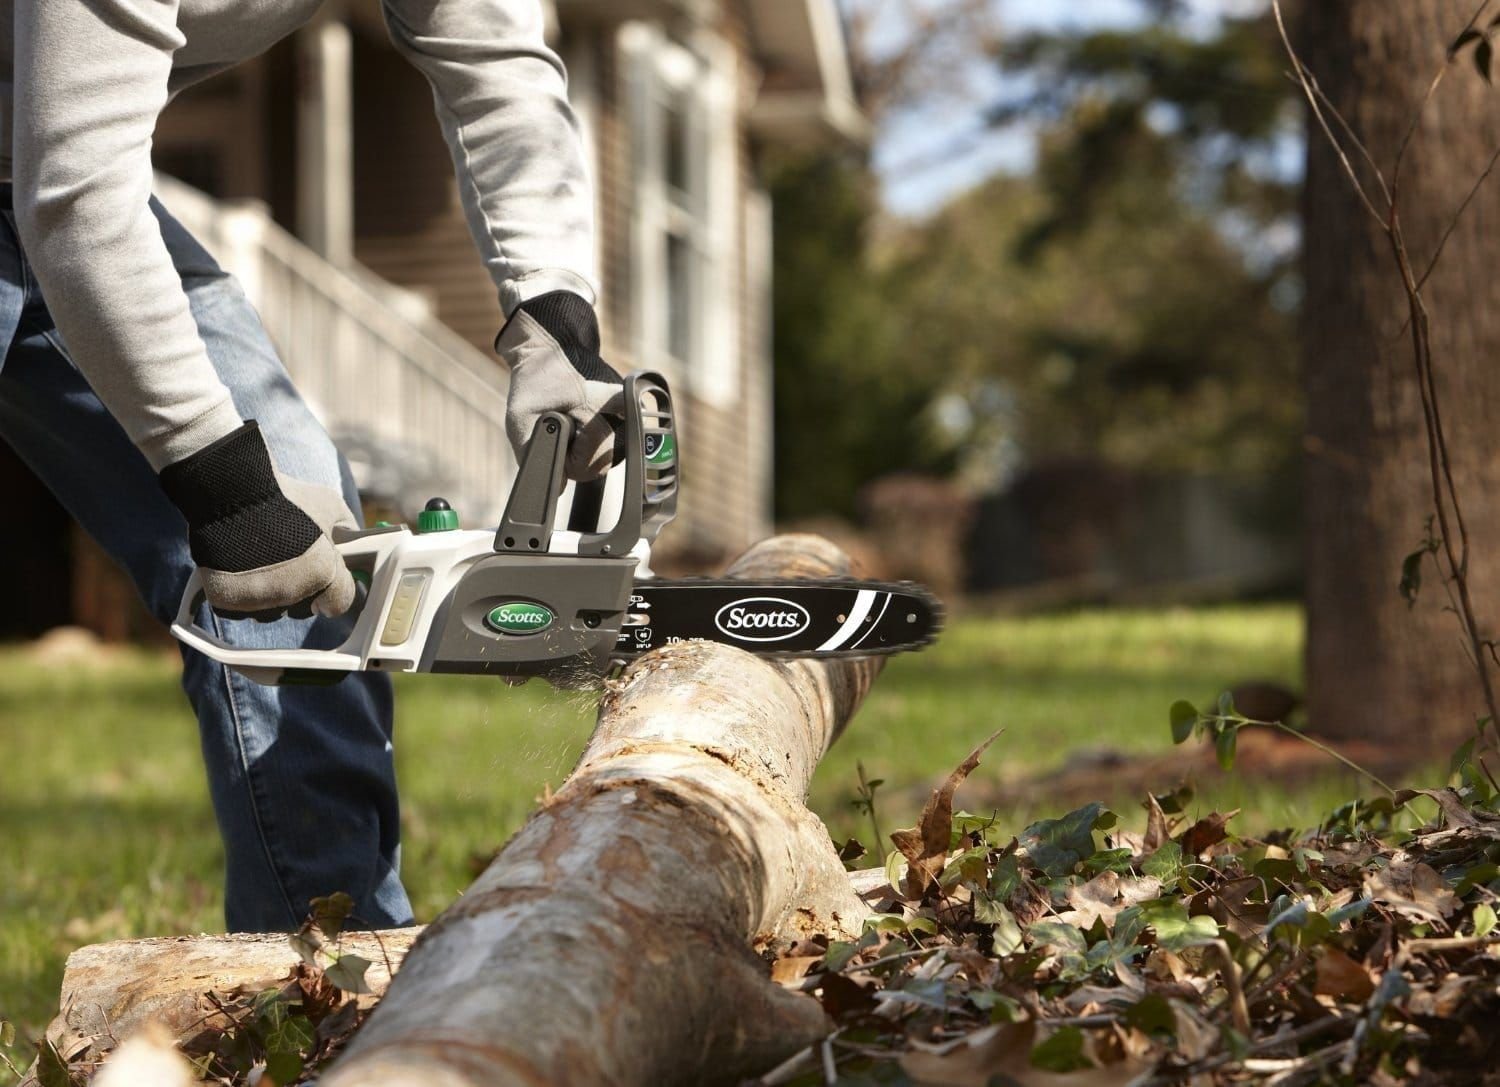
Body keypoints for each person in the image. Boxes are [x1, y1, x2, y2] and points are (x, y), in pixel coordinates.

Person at [0, 0, 623, 932]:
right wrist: (218, 485)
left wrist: (556, 319)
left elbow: (498, 66)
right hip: (63, 187)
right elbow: (78, 197)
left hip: (39, 177)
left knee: (302, 547)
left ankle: (323, 983)